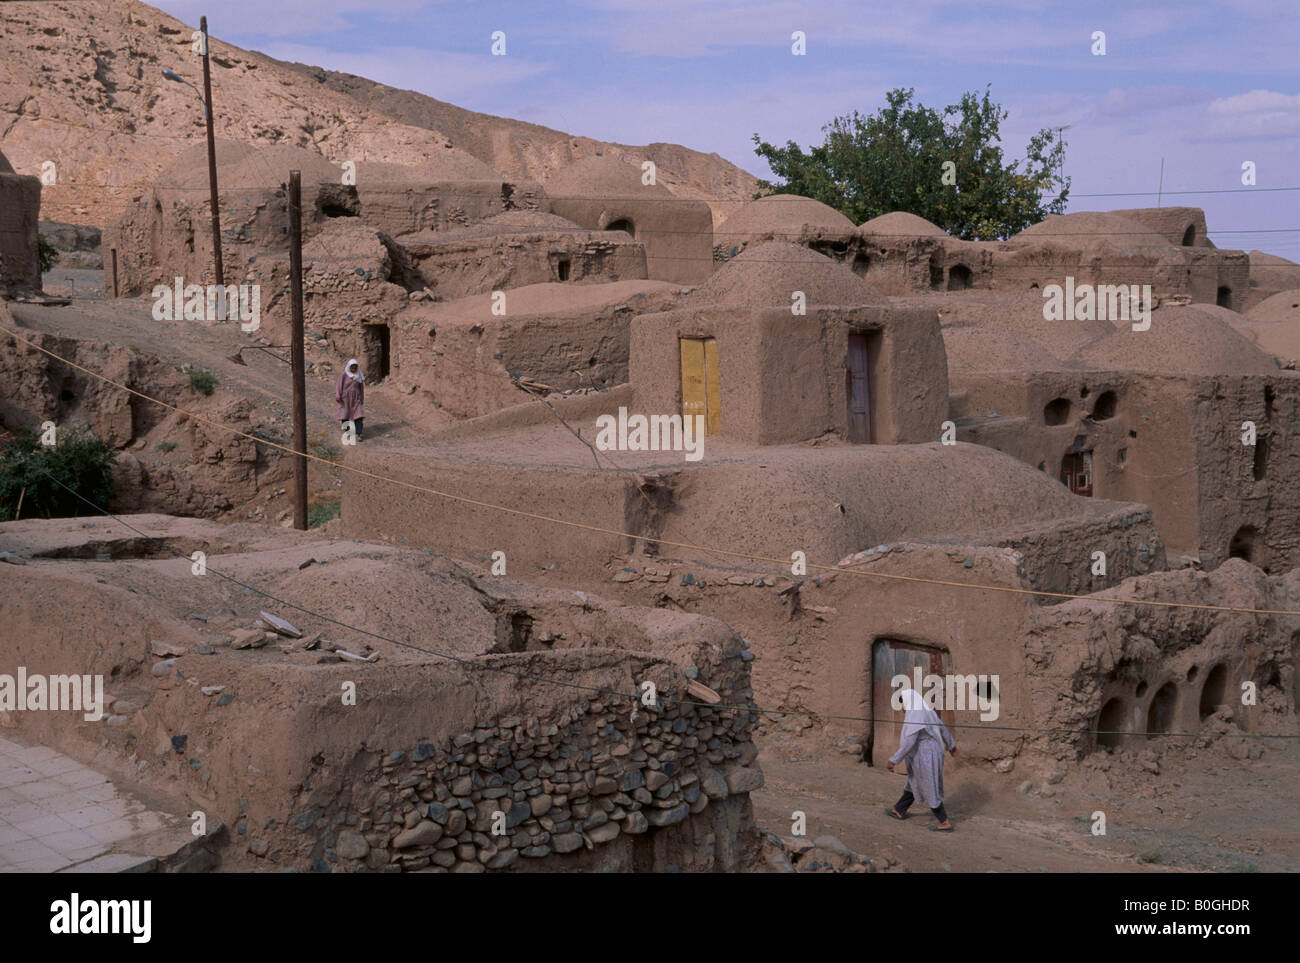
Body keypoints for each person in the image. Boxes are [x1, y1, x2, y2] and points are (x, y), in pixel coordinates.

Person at [884, 687, 958, 831]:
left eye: (903, 704)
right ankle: (899, 809)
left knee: (929, 786)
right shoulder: (926, 710)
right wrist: (951, 745)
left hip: (926, 755)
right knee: (913, 782)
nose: (903, 709)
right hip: (929, 752)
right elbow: (942, 728)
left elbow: (910, 741)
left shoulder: (916, 714)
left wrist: (894, 759)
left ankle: (944, 821)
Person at [336, 358, 365, 441]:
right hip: (345, 399)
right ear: (349, 367)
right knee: (345, 415)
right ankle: (348, 431)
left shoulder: (359, 375)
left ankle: (358, 433)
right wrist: (338, 396)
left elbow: (361, 388)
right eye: (352, 367)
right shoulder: (344, 375)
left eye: (355, 367)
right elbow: (339, 385)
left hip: (356, 399)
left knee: (359, 416)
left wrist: (362, 398)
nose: (354, 369)